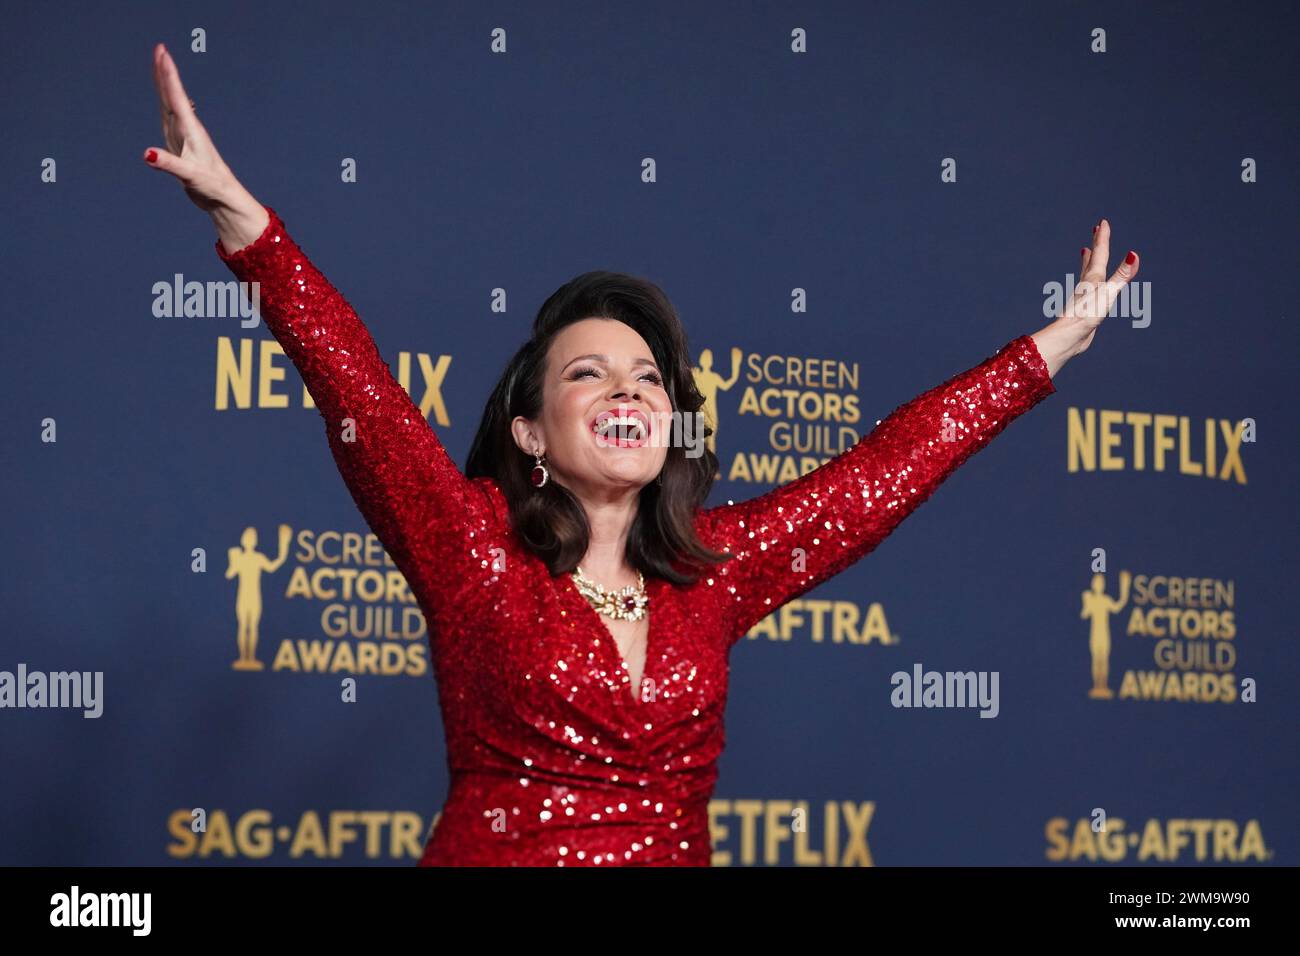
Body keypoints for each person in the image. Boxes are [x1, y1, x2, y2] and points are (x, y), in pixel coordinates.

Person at [143, 42, 1140, 866]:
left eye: (648, 376)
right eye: (587, 373)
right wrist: (242, 219)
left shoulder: (713, 571)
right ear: (529, 432)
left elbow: (880, 476)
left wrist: (1044, 351)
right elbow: (357, 387)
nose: (627, 387)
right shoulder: (471, 547)